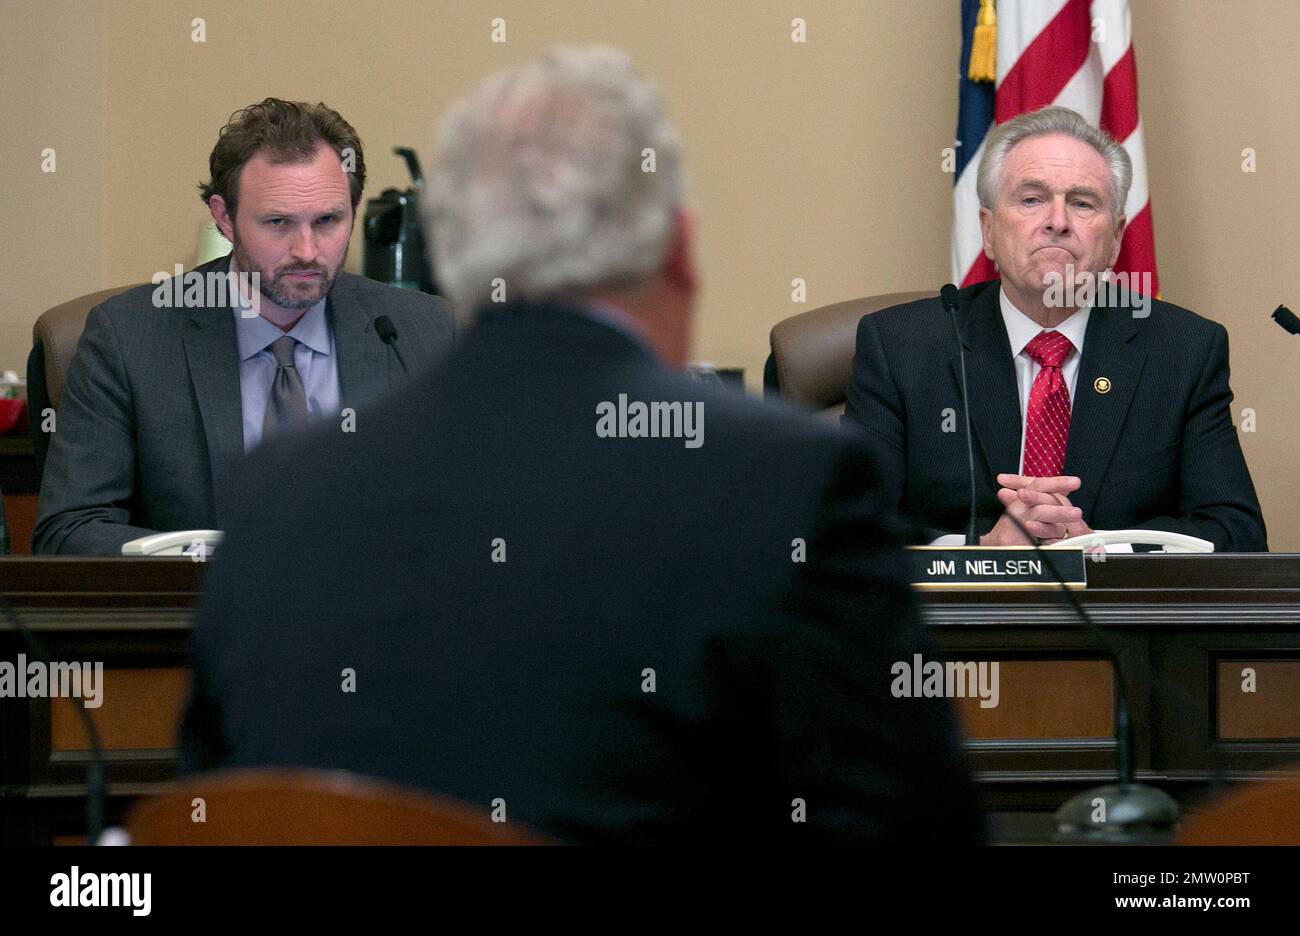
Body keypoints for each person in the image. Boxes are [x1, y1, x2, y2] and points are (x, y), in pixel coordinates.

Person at [180, 48, 981, 844]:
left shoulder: (277, 491)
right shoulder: (790, 485)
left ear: (452, 255)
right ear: (677, 249)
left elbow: (213, 813)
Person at [33, 98, 455, 555]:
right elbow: (68, 532)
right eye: (278, 222)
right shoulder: (130, 337)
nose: (307, 251)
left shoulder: (421, 333)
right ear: (224, 217)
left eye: (328, 221)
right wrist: (214, 560)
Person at [844, 106, 1266, 551]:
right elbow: (847, 533)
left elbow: (1238, 535)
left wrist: (1101, 548)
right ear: (988, 230)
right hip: (952, 619)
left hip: (1113, 618)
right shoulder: (901, 346)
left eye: (1082, 203)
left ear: (1117, 239)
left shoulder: (1183, 350)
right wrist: (979, 552)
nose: (1058, 221)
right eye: (1031, 199)